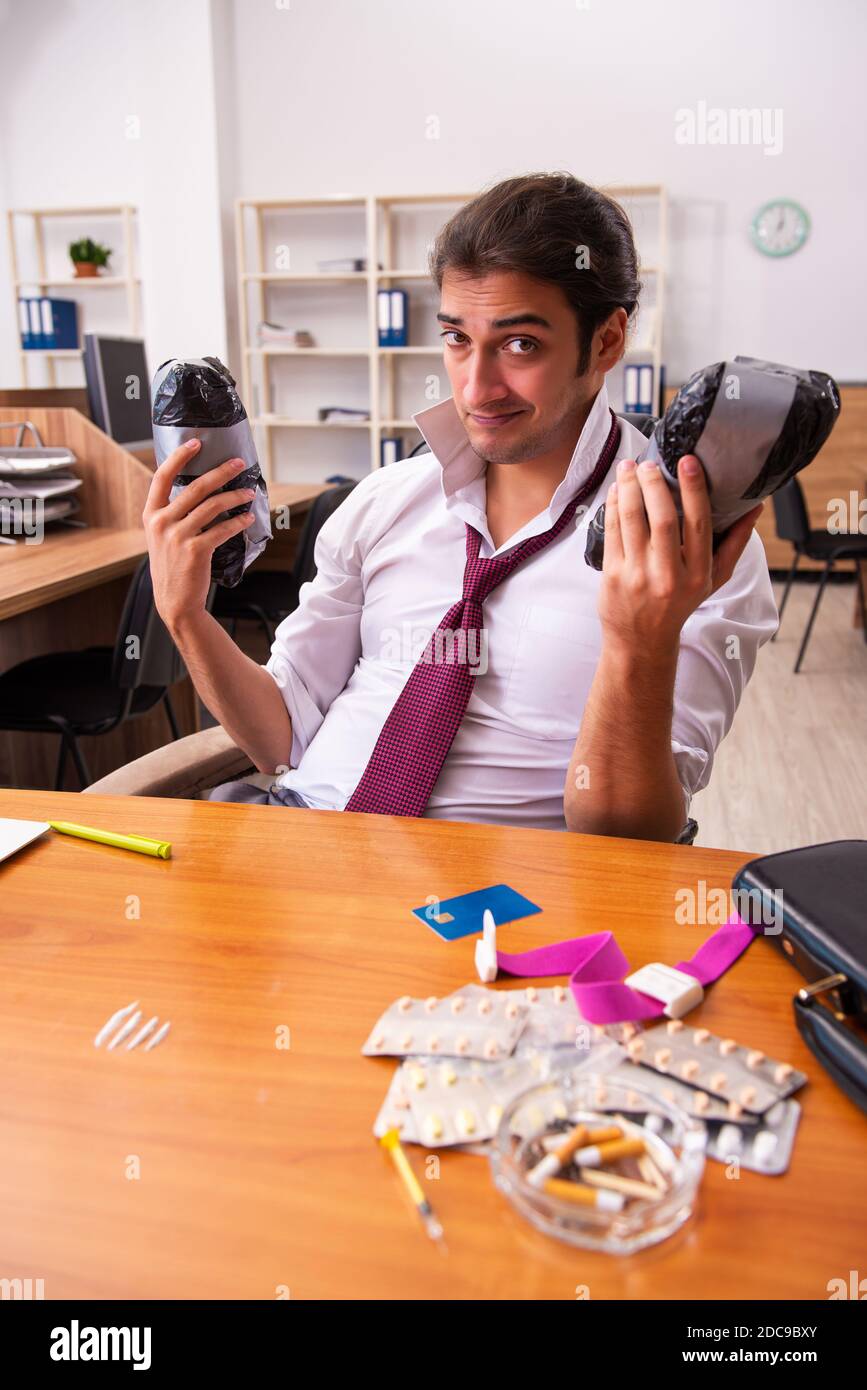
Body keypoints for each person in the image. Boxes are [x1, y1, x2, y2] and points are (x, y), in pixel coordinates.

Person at [144, 172, 777, 839]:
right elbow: (283, 743)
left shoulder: (684, 549)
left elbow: (632, 841)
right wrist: (185, 615)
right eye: (456, 339)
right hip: (306, 852)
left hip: (504, 908)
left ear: (607, 341)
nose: (476, 387)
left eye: (519, 344)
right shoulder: (384, 502)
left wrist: (636, 641)